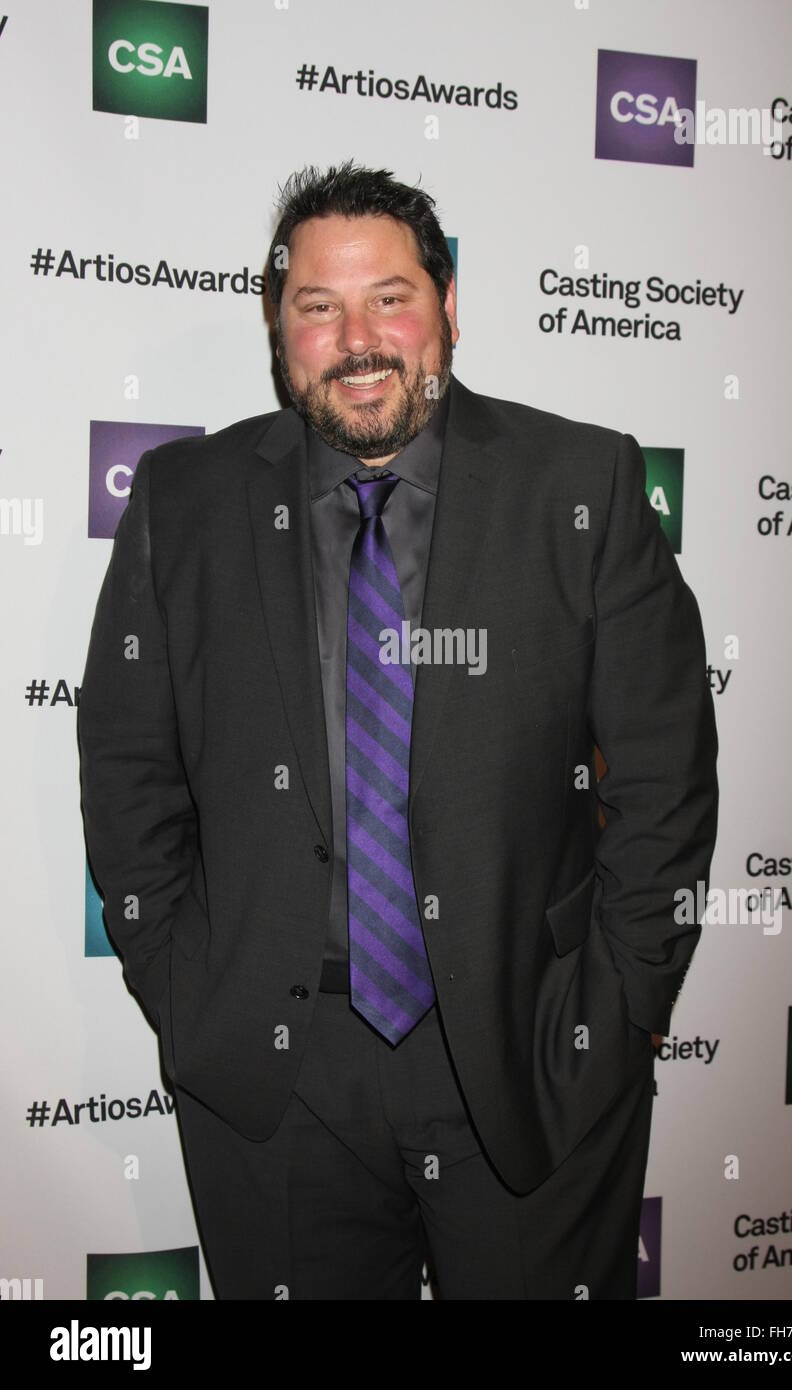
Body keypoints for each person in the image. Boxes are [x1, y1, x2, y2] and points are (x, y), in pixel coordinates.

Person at [77, 159, 719, 1300]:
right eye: (316, 306)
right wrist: (188, 995)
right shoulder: (184, 504)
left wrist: (612, 1016)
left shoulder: (580, 484)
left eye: (390, 297)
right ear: (279, 331)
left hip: (528, 1055)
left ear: (448, 308)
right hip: (276, 1081)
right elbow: (130, 772)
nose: (357, 336)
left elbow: (666, 776)